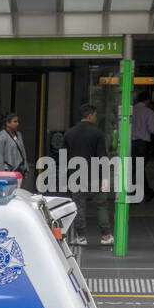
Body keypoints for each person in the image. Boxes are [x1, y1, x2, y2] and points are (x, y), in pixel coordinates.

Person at [62, 103, 113, 247]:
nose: (96, 118)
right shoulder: (97, 134)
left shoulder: (69, 133)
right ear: (90, 115)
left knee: (79, 206)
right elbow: (102, 157)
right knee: (101, 205)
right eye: (95, 115)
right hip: (95, 175)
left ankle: (82, 237)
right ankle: (106, 235)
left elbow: (63, 158)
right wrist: (105, 178)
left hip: (76, 176)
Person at [132, 91, 154, 202]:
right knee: (139, 169)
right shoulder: (148, 112)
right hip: (143, 144)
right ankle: (143, 192)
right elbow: (152, 129)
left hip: (132, 143)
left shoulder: (131, 110)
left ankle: (141, 192)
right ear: (147, 100)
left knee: (135, 168)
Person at [0, 112, 29, 186]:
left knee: (19, 191)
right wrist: (2, 174)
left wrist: (26, 167)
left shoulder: (18, 134)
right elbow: (0, 156)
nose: (17, 123)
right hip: (7, 168)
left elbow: (23, 151)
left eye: (18, 121)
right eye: (15, 122)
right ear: (7, 123)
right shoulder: (1, 136)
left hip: (19, 168)